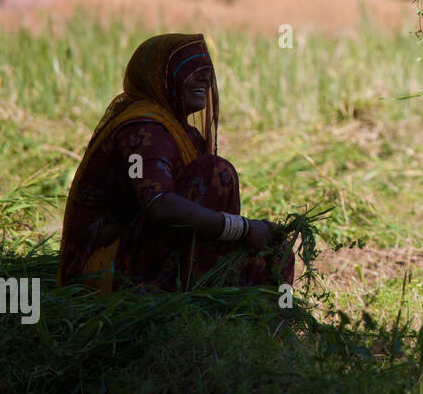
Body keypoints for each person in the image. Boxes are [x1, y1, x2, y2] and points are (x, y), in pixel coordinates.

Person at [58, 32, 292, 291]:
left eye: (207, 70)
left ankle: (242, 318)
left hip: (149, 250)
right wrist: (243, 229)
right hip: (106, 268)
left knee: (276, 257)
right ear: (159, 76)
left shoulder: (183, 132)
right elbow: (158, 203)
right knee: (215, 173)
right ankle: (193, 293)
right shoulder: (143, 129)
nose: (206, 77)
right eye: (192, 69)